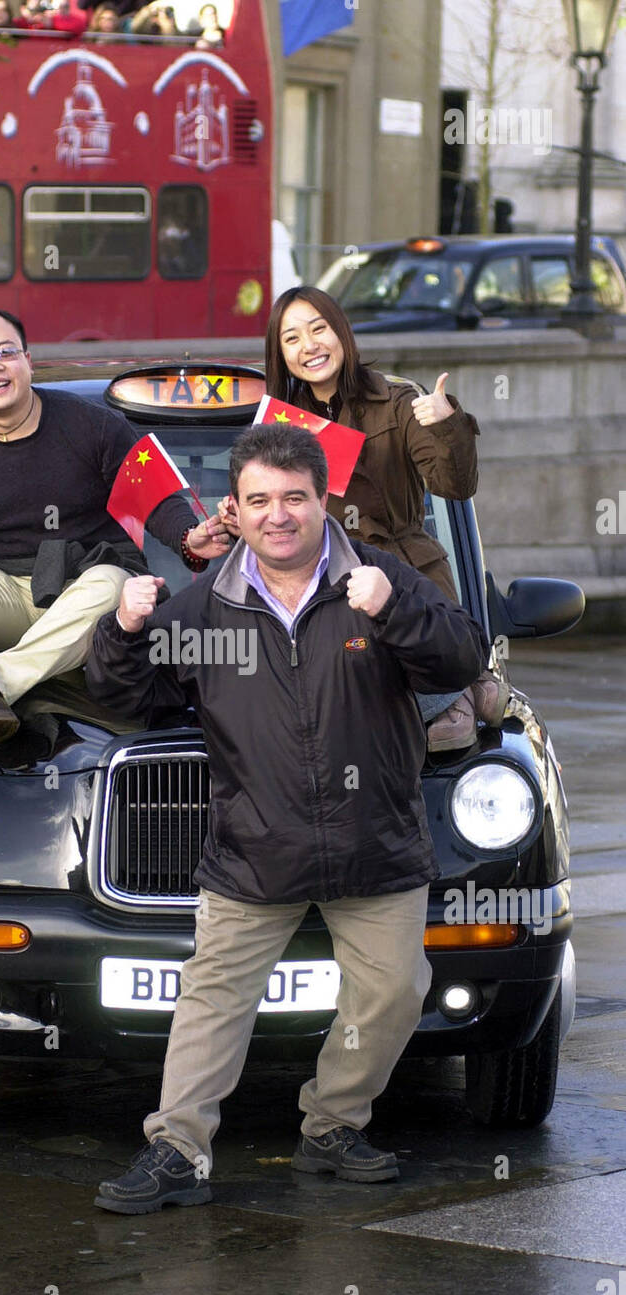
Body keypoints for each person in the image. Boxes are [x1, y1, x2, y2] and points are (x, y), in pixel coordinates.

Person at [85, 422, 488, 1213]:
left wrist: (396, 611)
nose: (278, 515)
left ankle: (333, 1124)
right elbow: (133, 701)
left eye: (294, 498)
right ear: (234, 510)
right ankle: (176, 1148)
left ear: (323, 501)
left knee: (395, 994)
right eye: (259, 500)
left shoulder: (380, 580)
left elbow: (461, 658)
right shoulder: (205, 609)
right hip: (254, 848)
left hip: (374, 842)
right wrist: (123, 633)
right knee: (211, 996)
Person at [0, 307, 228, 745]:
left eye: (5, 352)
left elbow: (155, 495)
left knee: (112, 584)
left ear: (28, 359)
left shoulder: (92, 424)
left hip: (87, 593)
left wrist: (189, 537)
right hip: (4, 592)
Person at [235, 285, 507, 752]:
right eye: (293, 338)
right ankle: (465, 687)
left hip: (405, 570)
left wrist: (446, 423)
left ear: (341, 332)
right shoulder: (276, 427)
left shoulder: (398, 402)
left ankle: (453, 692)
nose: (310, 346)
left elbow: (454, 487)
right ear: (280, 354)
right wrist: (236, 512)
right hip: (325, 582)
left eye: (319, 329)